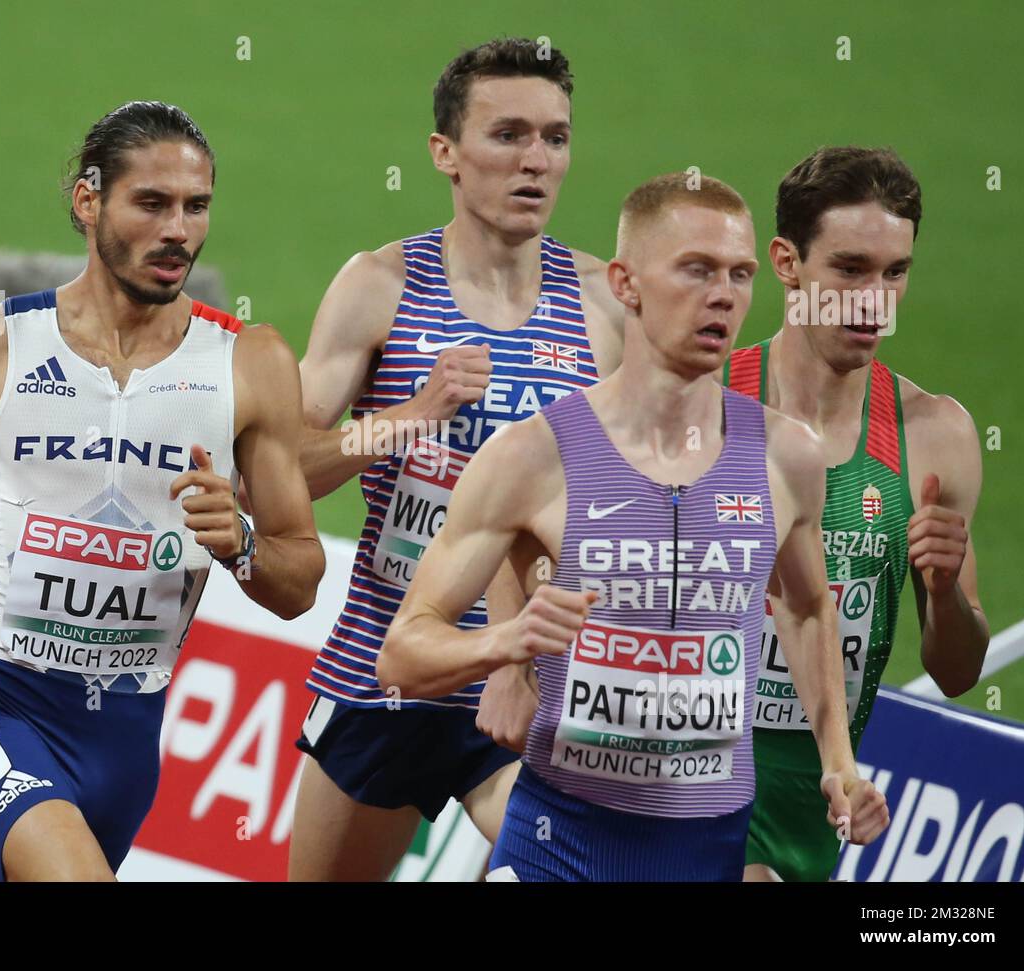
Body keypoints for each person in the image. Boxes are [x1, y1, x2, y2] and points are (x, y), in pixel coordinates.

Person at [0, 100, 325, 881]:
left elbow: (299, 581)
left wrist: (242, 543)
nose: (178, 230)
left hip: (123, 741)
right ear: (88, 202)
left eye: (196, 206)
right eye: (151, 203)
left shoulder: (251, 364)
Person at [379, 172, 887, 881]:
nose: (724, 295)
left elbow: (804, 607)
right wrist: (506, 642)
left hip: (708, 849)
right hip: (560, 840)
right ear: (625, 282)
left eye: (741, 275)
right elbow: (401, 655)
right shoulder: (533, 456)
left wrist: (839, 760)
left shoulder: (786, 456)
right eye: (697, 270)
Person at [288, 37, 624, 881]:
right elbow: (284, 470)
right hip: (385, 670)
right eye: (507, 135)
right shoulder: (379, 285)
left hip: (524, 686)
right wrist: (412, 415)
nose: (535, 161)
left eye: (554, 137)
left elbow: (630, 494)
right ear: (445, 153)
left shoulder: (604, 309)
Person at [727, 146, 989, 882]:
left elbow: (958, 670)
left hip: (820, 809)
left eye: (894, 272)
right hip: (681, 782)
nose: (875, 300)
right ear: (787, 262)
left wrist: (941, 592)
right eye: (849, 269)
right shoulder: (704, 404)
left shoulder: (936, 436)